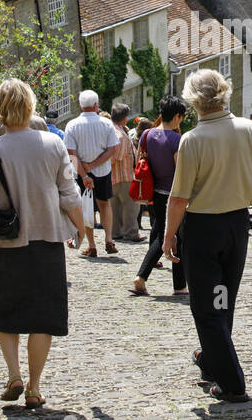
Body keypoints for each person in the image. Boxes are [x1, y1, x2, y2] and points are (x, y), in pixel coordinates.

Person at [0, 79, 84, 408]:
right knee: (43, 316)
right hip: (47, 240)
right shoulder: (52, 144)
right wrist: (81, 229)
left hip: (5, 244)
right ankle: (34, 386)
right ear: (31, 107)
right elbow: (69, 194)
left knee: (5, 311)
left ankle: (14, 374)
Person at [163, 70, 252, 404]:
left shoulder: (193, 139)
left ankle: (232, 382)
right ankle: (211, 359)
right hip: (236, 227)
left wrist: (169, 235)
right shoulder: (248, 129)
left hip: (202, 230)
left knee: (206, 307)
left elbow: (179, 198)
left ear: (194, 99)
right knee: (223, 298)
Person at [130, 95, 189, 297]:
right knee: (176, 237)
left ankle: (143, 277)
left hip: (154, 193)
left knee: (159, 233)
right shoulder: (177, 140)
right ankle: (178, 285)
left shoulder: (146, 134)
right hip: (173, 194)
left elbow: (139, 161)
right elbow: (180, 171)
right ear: (178, 116)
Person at [64, 90, 122, 257]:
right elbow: (112, 148)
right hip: (102, 170)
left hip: (81, 172)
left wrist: (84, 174)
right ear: (96, 105)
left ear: (81, 106)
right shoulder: (106, 123)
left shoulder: (72, 125)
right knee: (104, 204)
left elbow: (71, 153)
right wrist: (94, 165)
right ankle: (109, 239)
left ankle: (91, 245)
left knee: (86, 208)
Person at [108, 103, 144, 243]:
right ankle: (131, 233)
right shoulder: (120, 135)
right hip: (124, 175)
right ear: (123, 118)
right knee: (131, 207)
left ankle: (115, 232)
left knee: (115, 207)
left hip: (112, 177)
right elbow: (116, 157)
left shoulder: (110, 129)